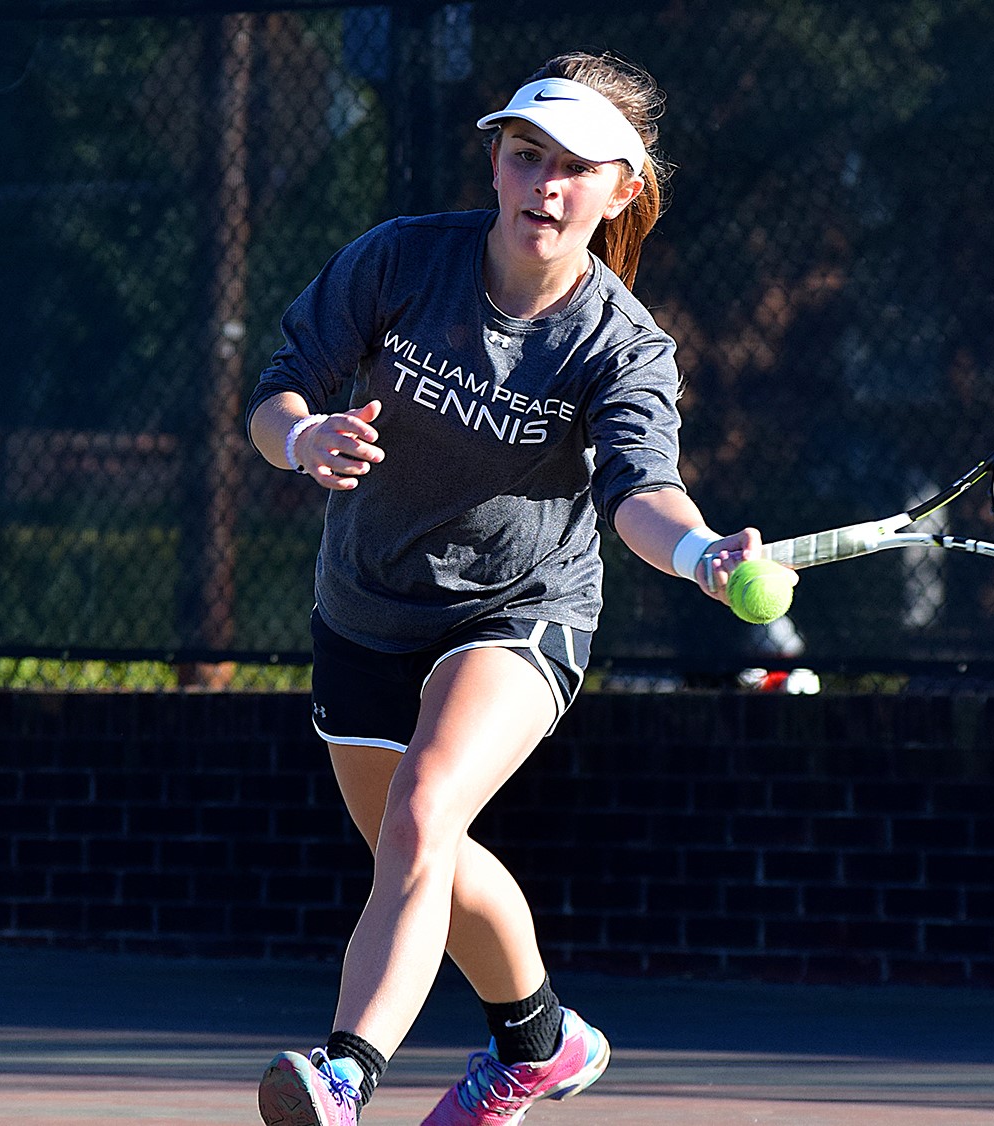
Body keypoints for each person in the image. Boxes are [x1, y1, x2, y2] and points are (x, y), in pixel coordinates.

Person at [244, 51, 793, 1126]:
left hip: (518, 609)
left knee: (426, 805)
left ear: (620, 189)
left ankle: (346, 1073)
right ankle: (539, 1046)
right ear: (494, 161)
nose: (544, 184)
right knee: (416, 845)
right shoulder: (401, 260)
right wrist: (304, 435)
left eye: (575, 168)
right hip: (364, 598)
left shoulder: (621, 348)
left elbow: (643, 493)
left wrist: (699, 556)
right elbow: (277, 394)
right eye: (526, 155)